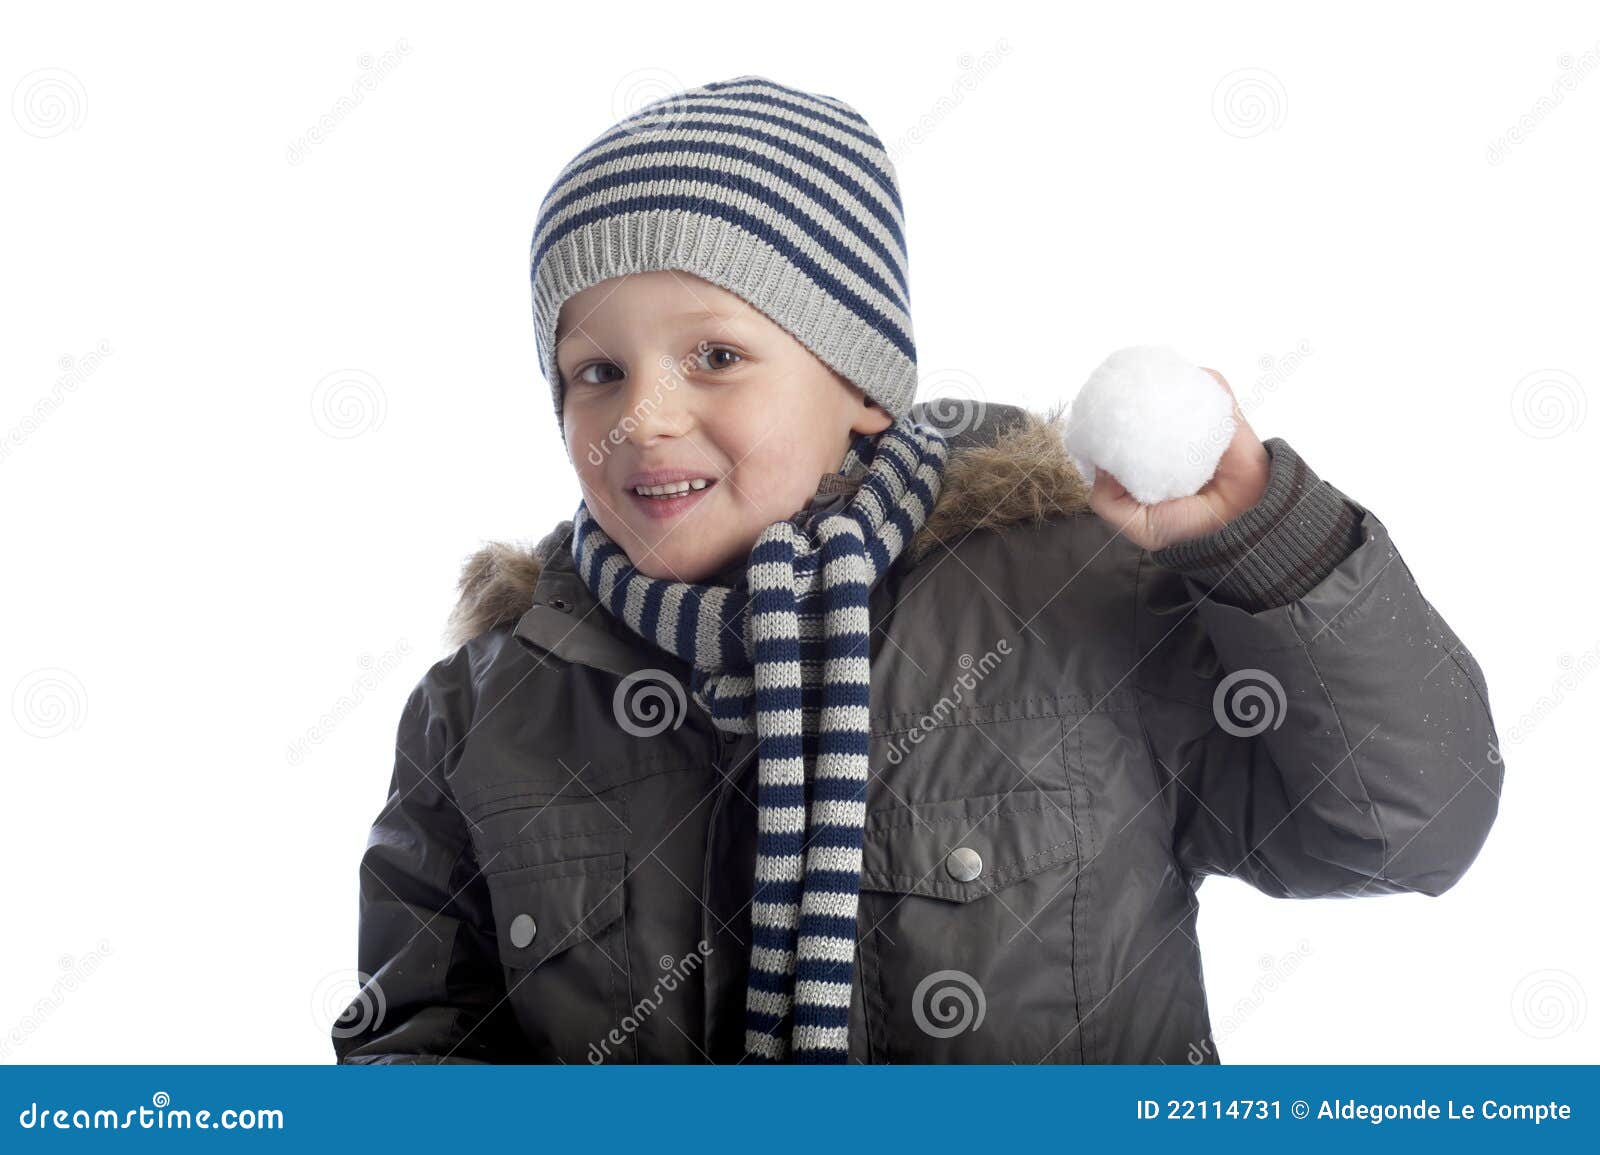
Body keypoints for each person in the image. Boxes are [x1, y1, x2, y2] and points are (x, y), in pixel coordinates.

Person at [333, 75, 1501, 1065]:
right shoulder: (484, 706)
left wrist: (1268, 545)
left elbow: (1407, 827)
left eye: (717, 356)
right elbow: (419, 1035)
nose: (641, 418)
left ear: (861, 389)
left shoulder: (1072, 606)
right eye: (595, 371)